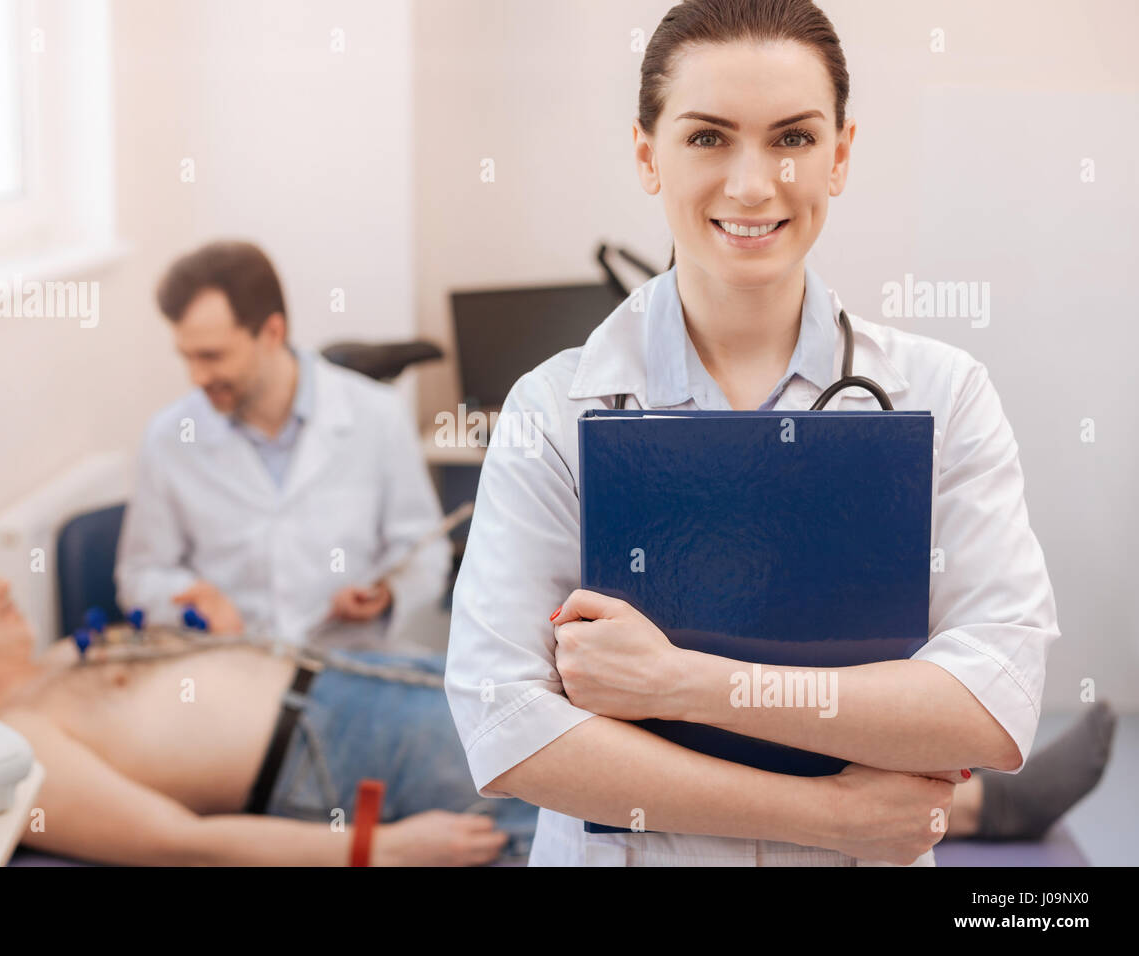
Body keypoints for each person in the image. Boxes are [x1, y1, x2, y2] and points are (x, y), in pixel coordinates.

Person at [445, 0, 1062, 866]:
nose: (751, 183)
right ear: (645, 154)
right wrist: (830, 817)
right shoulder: (554, 413)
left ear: (840, 154)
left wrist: (677, 683)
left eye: (794, 138)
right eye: (707, 137)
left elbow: (991, 708)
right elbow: (509, 731)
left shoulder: (945, 396)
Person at [0, 541, 533, 865]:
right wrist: (377, 850)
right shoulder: (20, 751)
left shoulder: (55, 660)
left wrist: (224, 640)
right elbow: (180, 842)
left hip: (362, 676)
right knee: (579, 806)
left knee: (573, 729)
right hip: (349, 754)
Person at [116, 240, 449, 649]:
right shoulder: (168, 438)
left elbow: (425, 552)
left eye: (213, 356)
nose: (197, 377)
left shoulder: (377, 415)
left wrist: (388, 593)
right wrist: (193, 601)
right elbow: (141, 575)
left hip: (350, 659)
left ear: (272, 332)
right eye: (187, 357)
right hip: (233, 668)